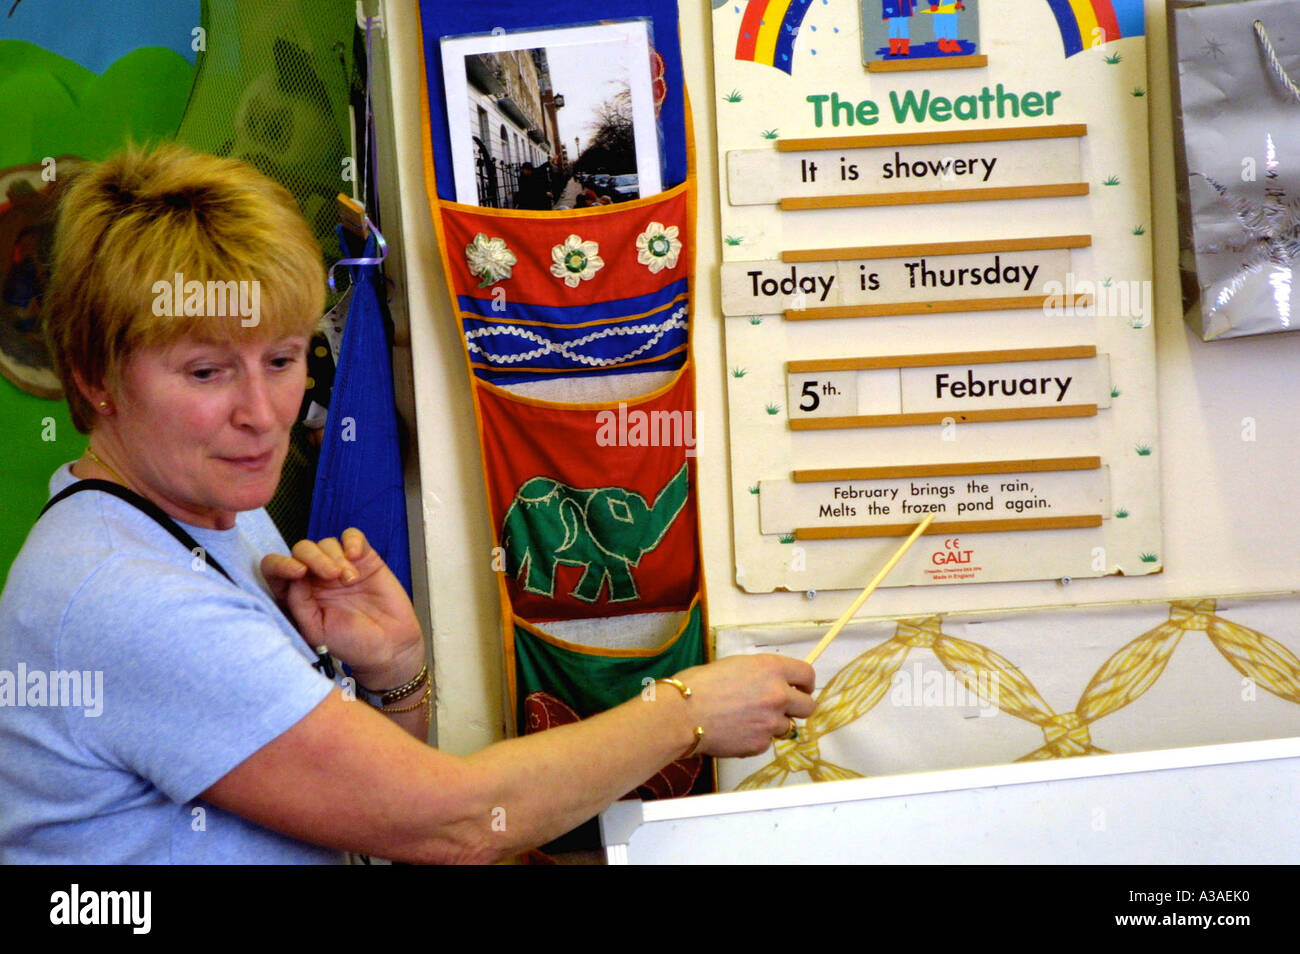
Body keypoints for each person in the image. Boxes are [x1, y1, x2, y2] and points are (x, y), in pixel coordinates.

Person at [0, 144, 816, 864]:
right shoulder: (126, 596)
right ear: (94, 378)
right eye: (206, 373)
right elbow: (453, 826)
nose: (262, 413)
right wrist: (686, 714)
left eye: (281, 359)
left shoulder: (211, 505)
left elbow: (367, 818)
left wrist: (394, 678)